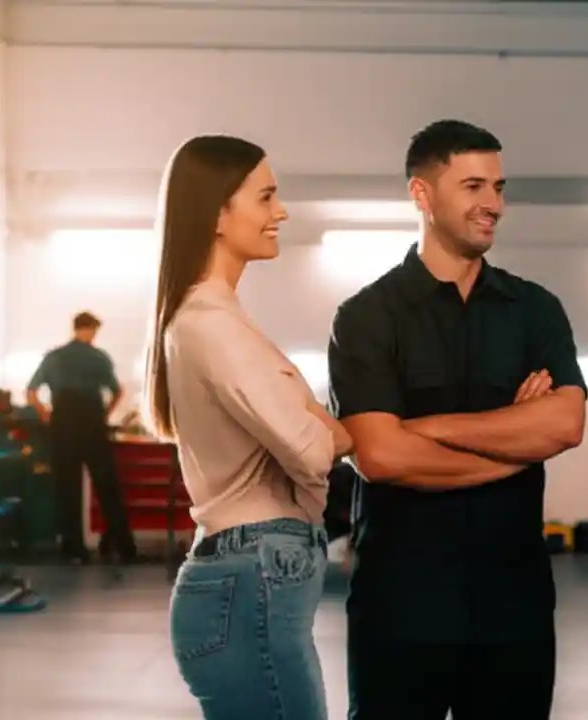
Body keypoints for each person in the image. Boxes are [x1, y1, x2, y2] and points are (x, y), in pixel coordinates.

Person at [328, 118, 587, 720]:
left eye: (498, 187)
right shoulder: (366, 316)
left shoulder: (536, 310)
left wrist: (423, 428)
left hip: (514, 610)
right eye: (474, 186)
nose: (493, 204)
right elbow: (381, 458)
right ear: (422, 195)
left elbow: (566, 426)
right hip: (400, 610)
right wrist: (517, 438)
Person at [141, 134, 352, 720]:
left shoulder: (218, 319)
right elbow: (312, 449)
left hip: (250, 583)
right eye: (266, 197)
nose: (279, 212)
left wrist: (319, 424)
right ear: (216, 214)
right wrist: (334, 430)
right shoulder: (210, 325)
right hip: (250, 581)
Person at [27, 311, 137, 564]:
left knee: (67, 489)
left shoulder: (53, 357)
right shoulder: (98, 358)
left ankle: (73, 549)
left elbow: (31, 392)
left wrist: (45, 414)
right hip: (92, 427)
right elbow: (117, 392)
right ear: (89, 329)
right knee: (108, 488)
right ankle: (124, 546)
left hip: (63, 427)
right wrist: (104, 415)